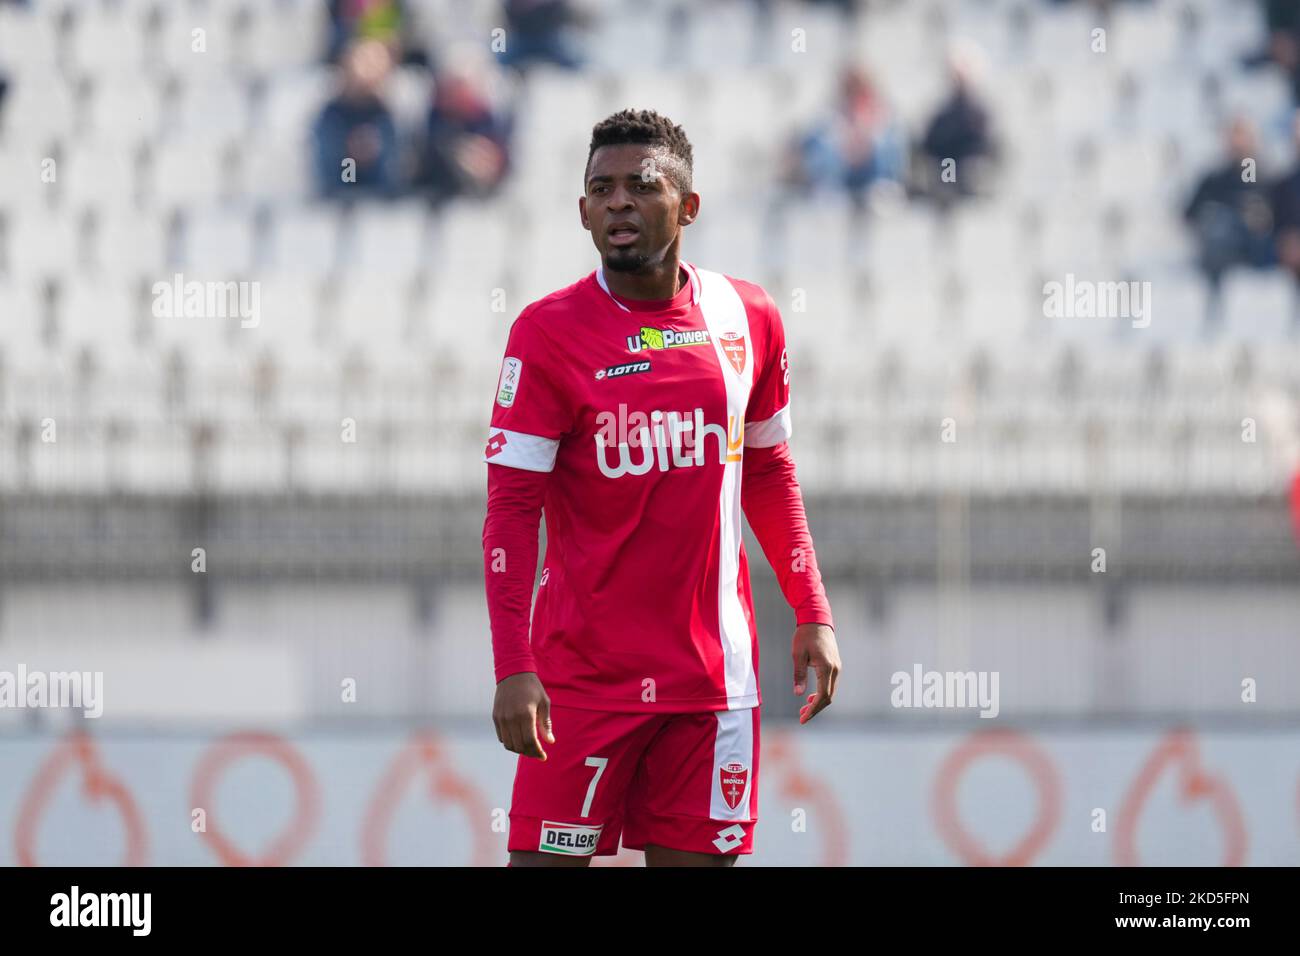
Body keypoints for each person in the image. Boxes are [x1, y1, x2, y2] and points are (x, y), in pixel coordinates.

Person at [481, 109, 841, 866]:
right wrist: (514, 665)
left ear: (688, 205)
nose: (619, 203)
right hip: (580, 685)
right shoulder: (546, 334)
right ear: (582, 211)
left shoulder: (748, 318)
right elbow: (511, 511)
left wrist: (812, 609)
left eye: (642, 186)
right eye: (601, 189)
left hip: (713, 684)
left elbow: (769, 472)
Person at [1184, 117, 1274, 321]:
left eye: (1242, 135)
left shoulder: (1258, 172)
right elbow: (1189, 214)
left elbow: (1255, 197)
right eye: (1233, 135)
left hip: (1256, 250)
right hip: (1220, 252)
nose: (1237, 142)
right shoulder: (1214, 177)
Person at [312, 39, 401, 200]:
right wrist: (351, 160)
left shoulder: (385, 115)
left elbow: (391, 174)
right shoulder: (334, 115)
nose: (371, 70)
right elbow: (340, 178)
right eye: (366, 62)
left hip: (380, 206)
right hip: (342, 205)